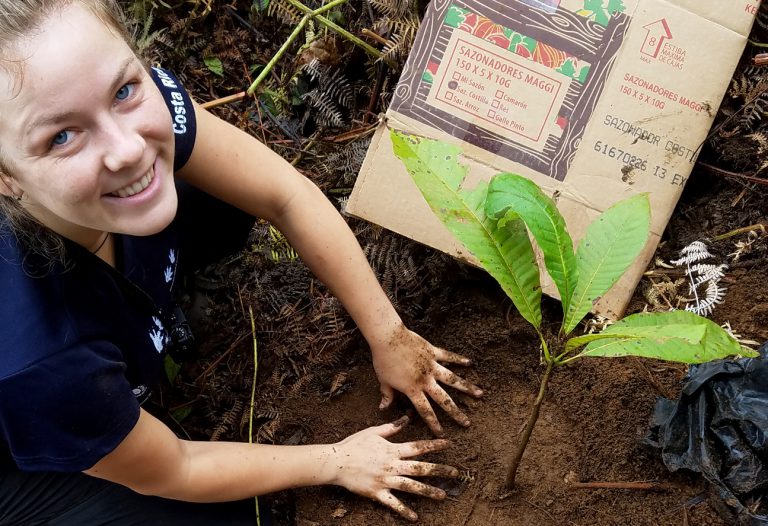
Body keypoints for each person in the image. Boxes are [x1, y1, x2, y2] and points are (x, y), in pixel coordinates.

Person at [0, 0, 484, 524]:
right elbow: (175, 467)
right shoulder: (37, 355)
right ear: (6, 176)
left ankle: (148, 315)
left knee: (218, 193)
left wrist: (388, 335)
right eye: (62, 137)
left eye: (124, 90)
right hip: (20, 459)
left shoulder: (123, 106)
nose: (128, 149)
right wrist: (337, 461)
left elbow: (284, 194)